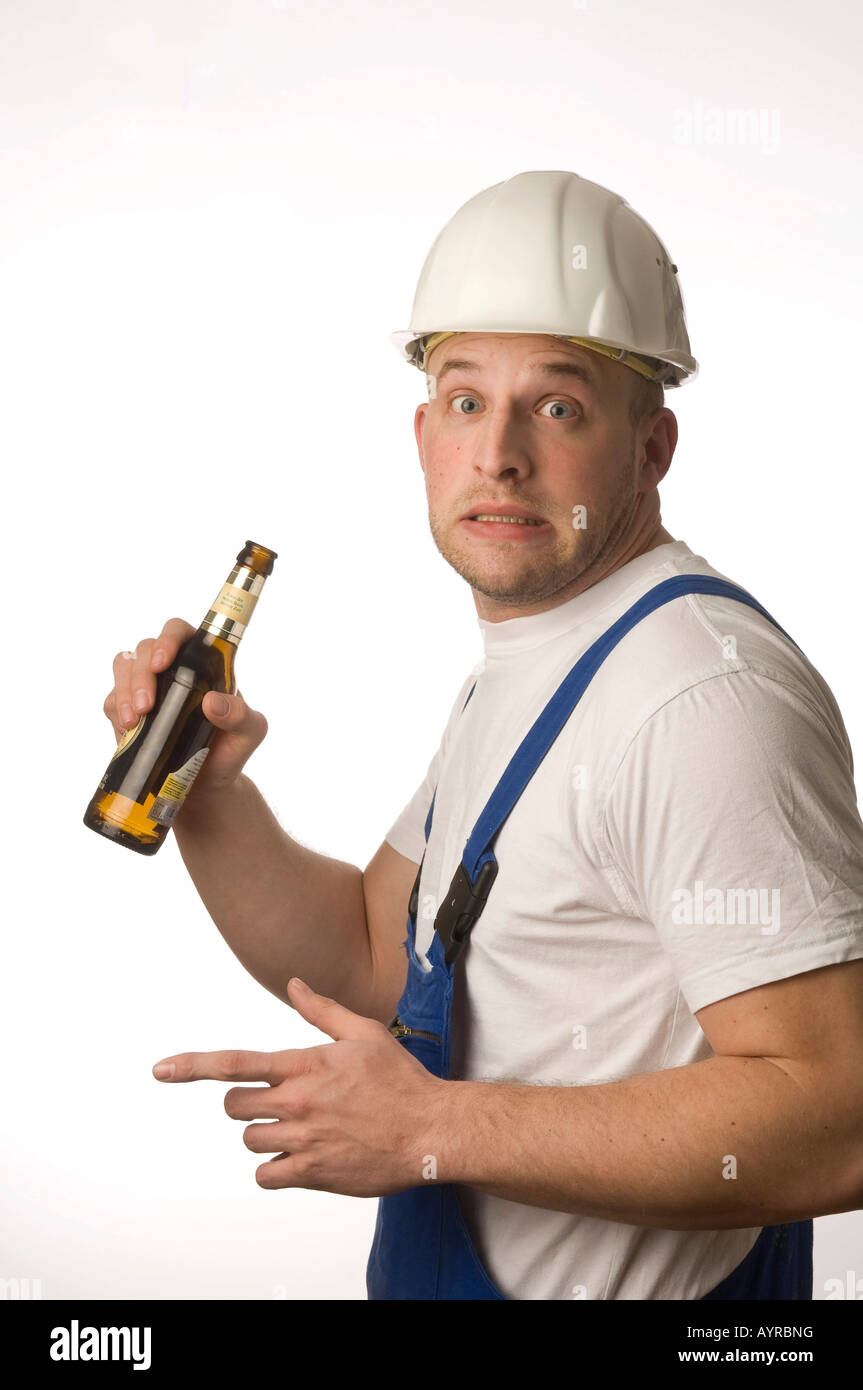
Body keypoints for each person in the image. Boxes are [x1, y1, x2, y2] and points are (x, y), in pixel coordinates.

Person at [106, 171, 863, 1300]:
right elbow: (372, 953)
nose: (498, 453)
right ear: (423, 434)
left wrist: (434, 1128)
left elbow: (835, 1114)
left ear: (650, 447)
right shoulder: (536, 661)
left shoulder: (697, 700)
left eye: (556, 406)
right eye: (465, 401)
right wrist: (208, 796)